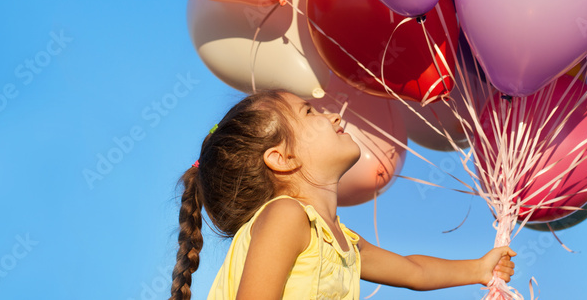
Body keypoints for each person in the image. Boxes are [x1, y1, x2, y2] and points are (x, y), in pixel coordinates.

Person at [170, 89, 516, 299]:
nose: (334, 116)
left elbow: (414, 272)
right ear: (282, 158)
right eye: (309, 111)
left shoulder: (342, 241)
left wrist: (478, 269)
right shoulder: (285, 216)